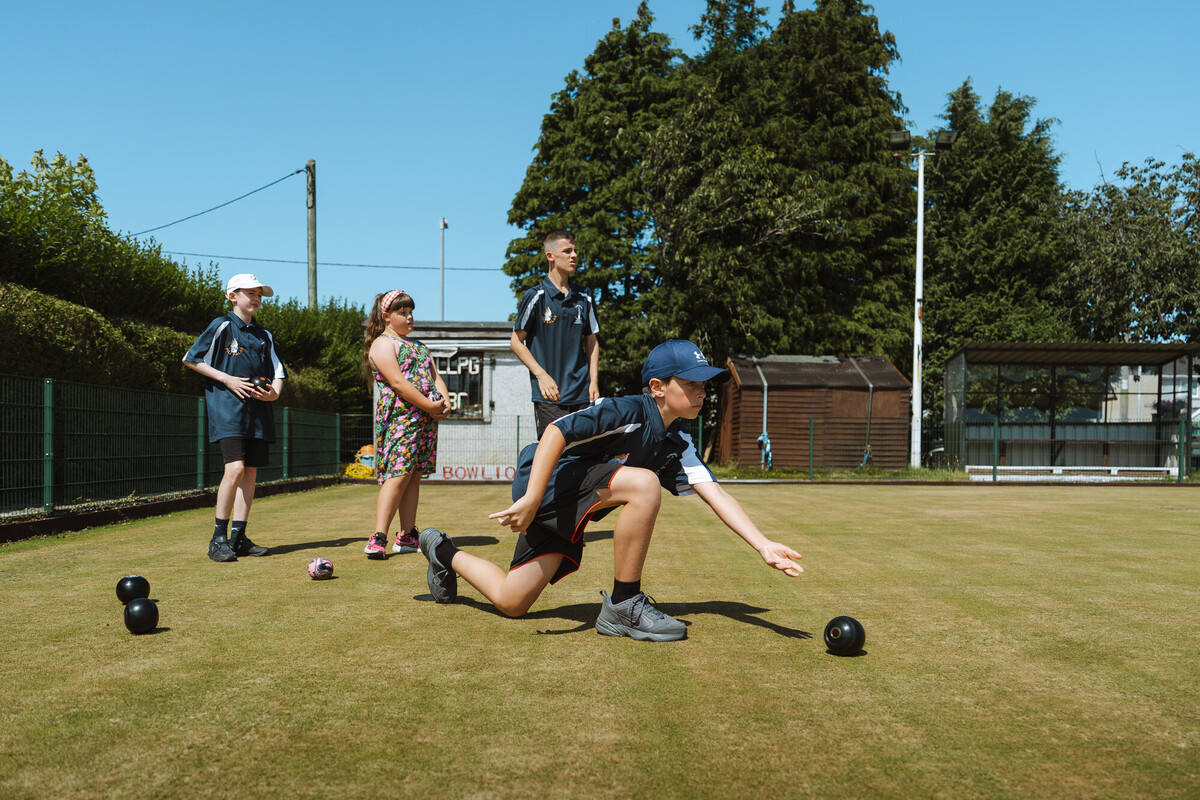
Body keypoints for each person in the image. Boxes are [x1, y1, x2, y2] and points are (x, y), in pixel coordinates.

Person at [417, 339, 804, 641]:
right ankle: (623, 602)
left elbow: (716, 493)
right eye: (690, 384)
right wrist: (532, 497)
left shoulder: (678, 442)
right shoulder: (627, 410)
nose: (702, 393)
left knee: (512, 601)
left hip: (578, 501)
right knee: (644, 483)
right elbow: (556, 431)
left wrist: (762, 544)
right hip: (547, 481)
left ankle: (441, 550)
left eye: (704, 386)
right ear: (657, 387)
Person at [183, 274, 286, 563]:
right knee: (236, 469)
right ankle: (218, 539)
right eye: (249, 293)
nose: (256, 298)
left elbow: (279, 372)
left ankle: (239, 538)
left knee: (250, 473)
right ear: (233, 296)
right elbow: (191, 358)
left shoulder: (264, 335)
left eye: (259, 294)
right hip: (228, 411)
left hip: (258, 413)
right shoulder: (222, 325)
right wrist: (227, 379)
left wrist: (274, 395)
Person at [363, 289, 451, 559]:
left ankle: (408, 535)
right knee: (398, 473)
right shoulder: (382, 344)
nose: (409, 317)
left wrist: (444, 405)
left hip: (424, 421)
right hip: (400, 418)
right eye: (403, 312)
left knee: (414, 475)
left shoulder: (420, 346)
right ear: (386, 316)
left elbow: (436, 378)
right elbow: (399, 383)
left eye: (411, 312)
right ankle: (378, 537)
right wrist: (428, 405)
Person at [510, 230, 600, 438]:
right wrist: (542, 376)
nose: (574, 255)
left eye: (575, 251)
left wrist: (593, 381)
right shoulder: (536, 296)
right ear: (550, 256)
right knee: (554, 459)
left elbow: (592, 340)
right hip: (550, 395)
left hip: (581, 393)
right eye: (567, 251)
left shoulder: (584, 296)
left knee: (582, 455)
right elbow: (515, 342)